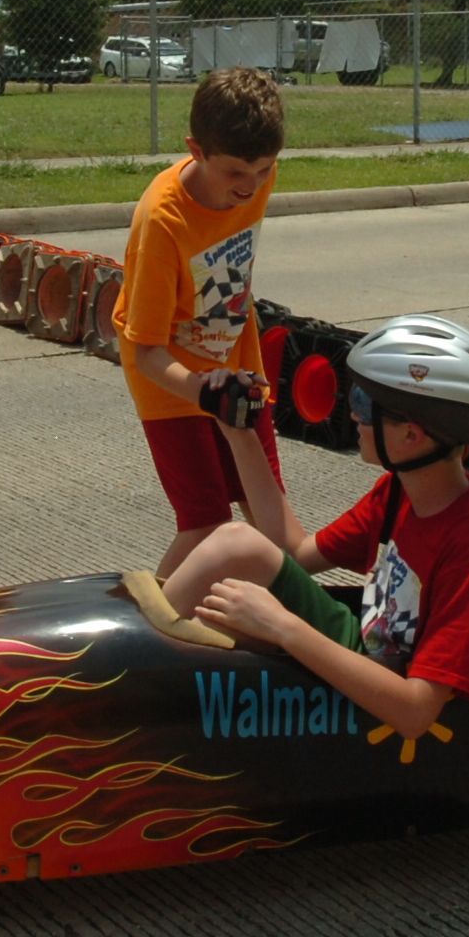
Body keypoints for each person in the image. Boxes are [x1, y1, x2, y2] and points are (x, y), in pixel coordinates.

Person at [164, 316, 469, 740]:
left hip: (385, 683)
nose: (352, 415)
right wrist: (239, 435)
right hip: (363, 641)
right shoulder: (399, 492)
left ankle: (119, 691)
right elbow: (296, 551)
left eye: (363, 403)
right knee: (235, 546)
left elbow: (416, 713)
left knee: (232, 570)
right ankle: (128, 662)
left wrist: (282, 626)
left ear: (411, 435)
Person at [113, 66, 286, 578]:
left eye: (263, 171)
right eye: (235, 173)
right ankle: (153, 620)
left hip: (235, 367)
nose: (250, 187)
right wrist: (204, 393)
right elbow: (145, 349)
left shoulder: (257, 175)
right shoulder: (163, 220)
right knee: (206, 523)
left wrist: (228, 382)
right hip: (171, 384)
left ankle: (262, 621)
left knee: (268, 514)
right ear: (196, 148)